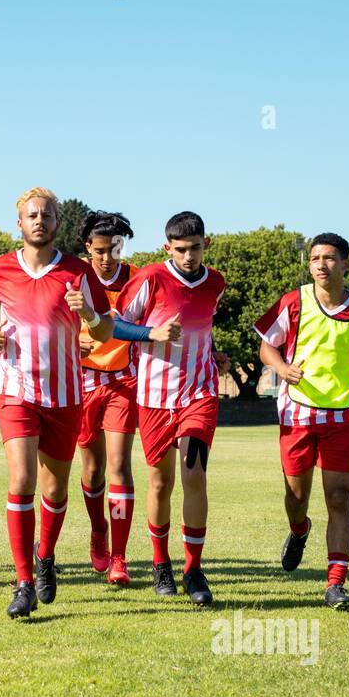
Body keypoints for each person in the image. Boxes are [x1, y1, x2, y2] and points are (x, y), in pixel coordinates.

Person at [0, 187, 114, 618]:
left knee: (55, 488)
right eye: (31, 215)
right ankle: (23, 580)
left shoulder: (78, 272)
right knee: (22, 480)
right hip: (15, 391)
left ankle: (46, 556)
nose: (38, 221)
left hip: (66, 395)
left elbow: (104, 332)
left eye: (46, 215)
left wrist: (86, 313)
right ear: (20, 223)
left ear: (57, 224)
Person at [253, 232, 349, 609]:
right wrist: (282, 368)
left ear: (345, 264)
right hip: (298, 412)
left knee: (339, 497)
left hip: (344, 413)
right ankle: (299, 529)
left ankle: (336, 583)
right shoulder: (294, 302)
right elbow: (266, 345)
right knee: (296, 497)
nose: (321, 265)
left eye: (329, 258)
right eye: (314, 259)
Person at [117, 211, 229, 604]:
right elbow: (112, 324)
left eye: (195, 248)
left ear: (206, 245)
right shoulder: (150, 279)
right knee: (161, 483)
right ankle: (160, 562)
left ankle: (194, 570)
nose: (188, 256)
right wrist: (151, 333)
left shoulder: (216, 283)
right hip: (152, 399)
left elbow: (203, 328)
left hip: (199, 396)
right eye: (180, 249)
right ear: (168, 247)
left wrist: (214, 354)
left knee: (194, 475)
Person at [75, 211, 180, 586]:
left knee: (120, 466)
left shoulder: (137, 277)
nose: (108, 257)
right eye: (100, 250)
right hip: (82, 382)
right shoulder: (73, 278)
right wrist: (75, 341)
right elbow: (52, 321)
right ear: (87, 248)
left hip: (124, 381)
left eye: (115, 249)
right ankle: (99, 529)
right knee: (92, 470)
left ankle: (119, 558)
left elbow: (153, 321)